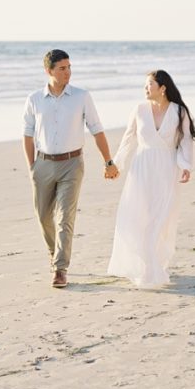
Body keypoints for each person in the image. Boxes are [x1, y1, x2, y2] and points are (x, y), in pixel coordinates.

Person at [23, 49, 119, 289]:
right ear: (49, 71)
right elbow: (27, 134)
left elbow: (97, 129)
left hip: (72, 164)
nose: (68, 72)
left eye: (69, 67)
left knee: (65, 217)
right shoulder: (34, 99)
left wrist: (108, 161)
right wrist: (31, 167)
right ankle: (53, 251)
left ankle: (60, 268)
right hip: (43, 164)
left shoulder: (82, 96)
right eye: (62, 68)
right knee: (43, 216)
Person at [107, 70, 195, 288]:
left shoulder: (179, 112)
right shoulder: (139, 110)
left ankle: (153, 265)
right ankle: (147, 266)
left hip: (167, 169)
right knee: (139, 217)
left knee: (161, 218)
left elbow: (185, 140)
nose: (145, 88)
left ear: (163, 87)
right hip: (142, 168)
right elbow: (128, 139)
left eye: (149, 84)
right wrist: (116, 164)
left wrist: (185, 165)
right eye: (145, 85)